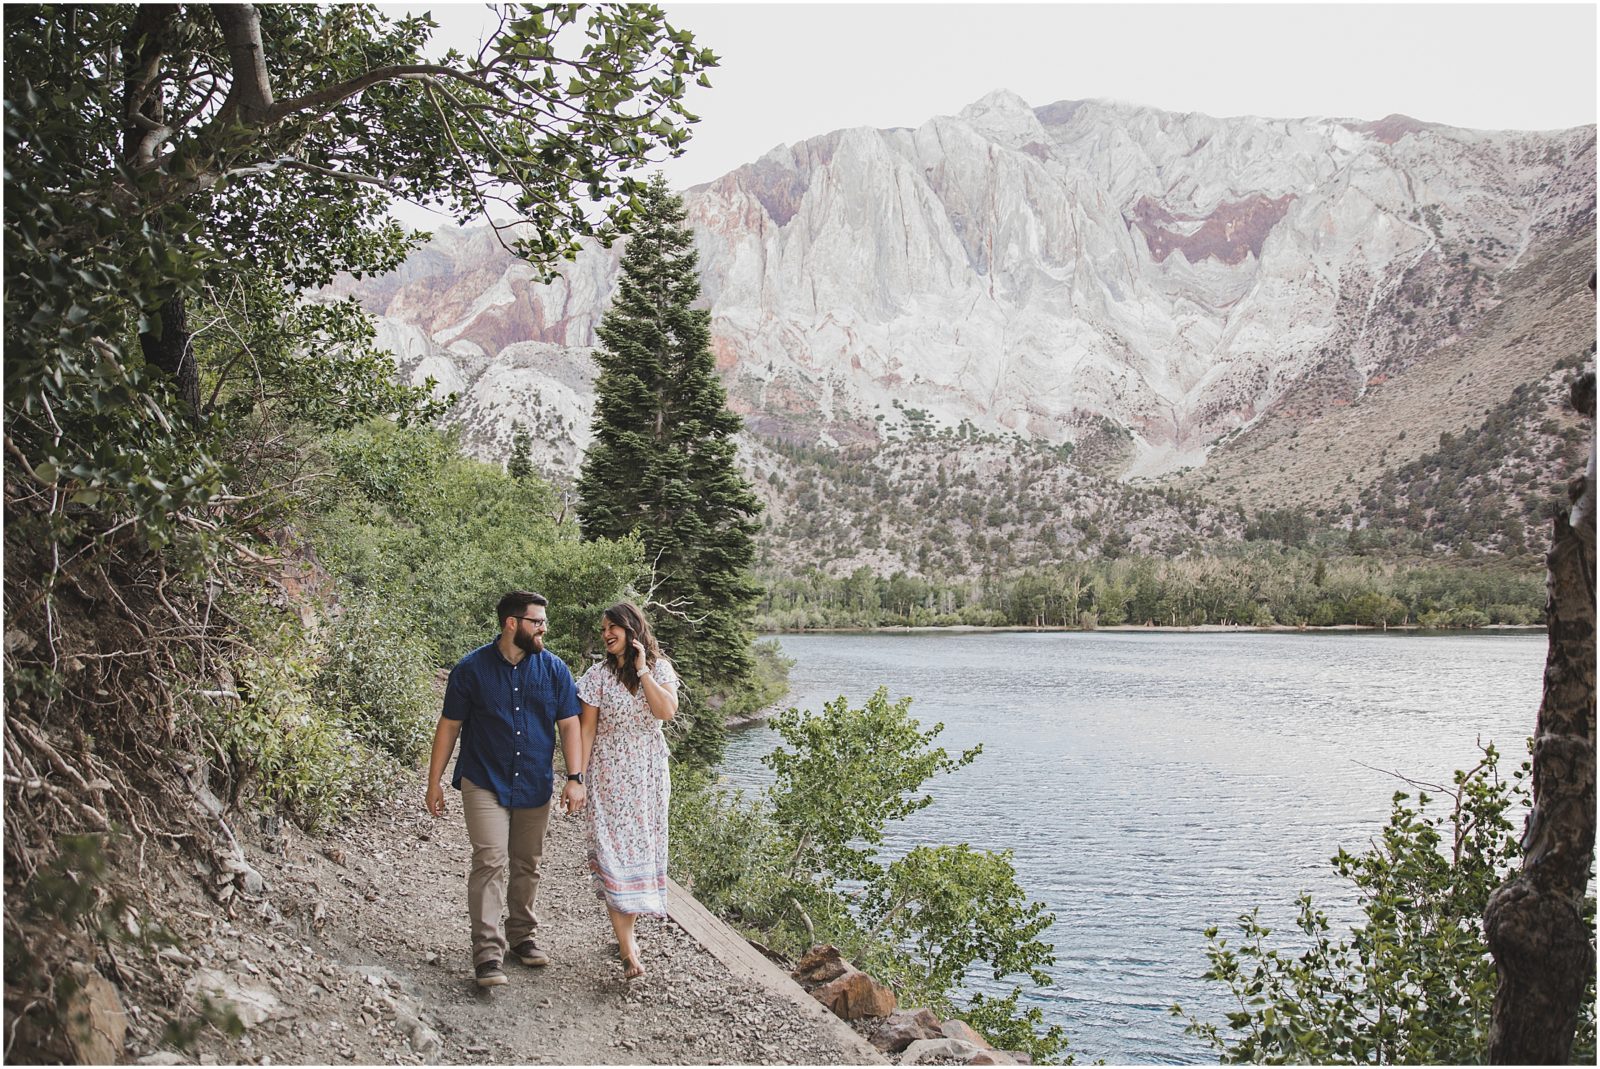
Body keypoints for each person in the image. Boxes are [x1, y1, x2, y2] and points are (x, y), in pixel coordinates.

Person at [424, 591, 587, 988]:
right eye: (537, 621)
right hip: (484, 779)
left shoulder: (554, 669)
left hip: (534, 780)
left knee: (527, 863)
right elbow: (450, 725)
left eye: (544, 621)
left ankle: (522, 936)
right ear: (512, 623)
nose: (544, 628)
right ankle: (486, 954)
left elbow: (569, 724)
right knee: (490, 860)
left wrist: (575, 777)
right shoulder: (471, 670)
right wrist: (434, 782)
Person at [576, 601, 679, 980]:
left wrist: (642, 670)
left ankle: (627, 935)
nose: (606, 635)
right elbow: (587, 730)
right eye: (603, 629)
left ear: (631, 629)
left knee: (639, 851)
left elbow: (666, 711)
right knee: (612, 854)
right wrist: (577, 777)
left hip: (648, 775)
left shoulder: (660, 668)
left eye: (612, 628)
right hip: (608, 773)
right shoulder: (596, 676)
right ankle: (627, 945)